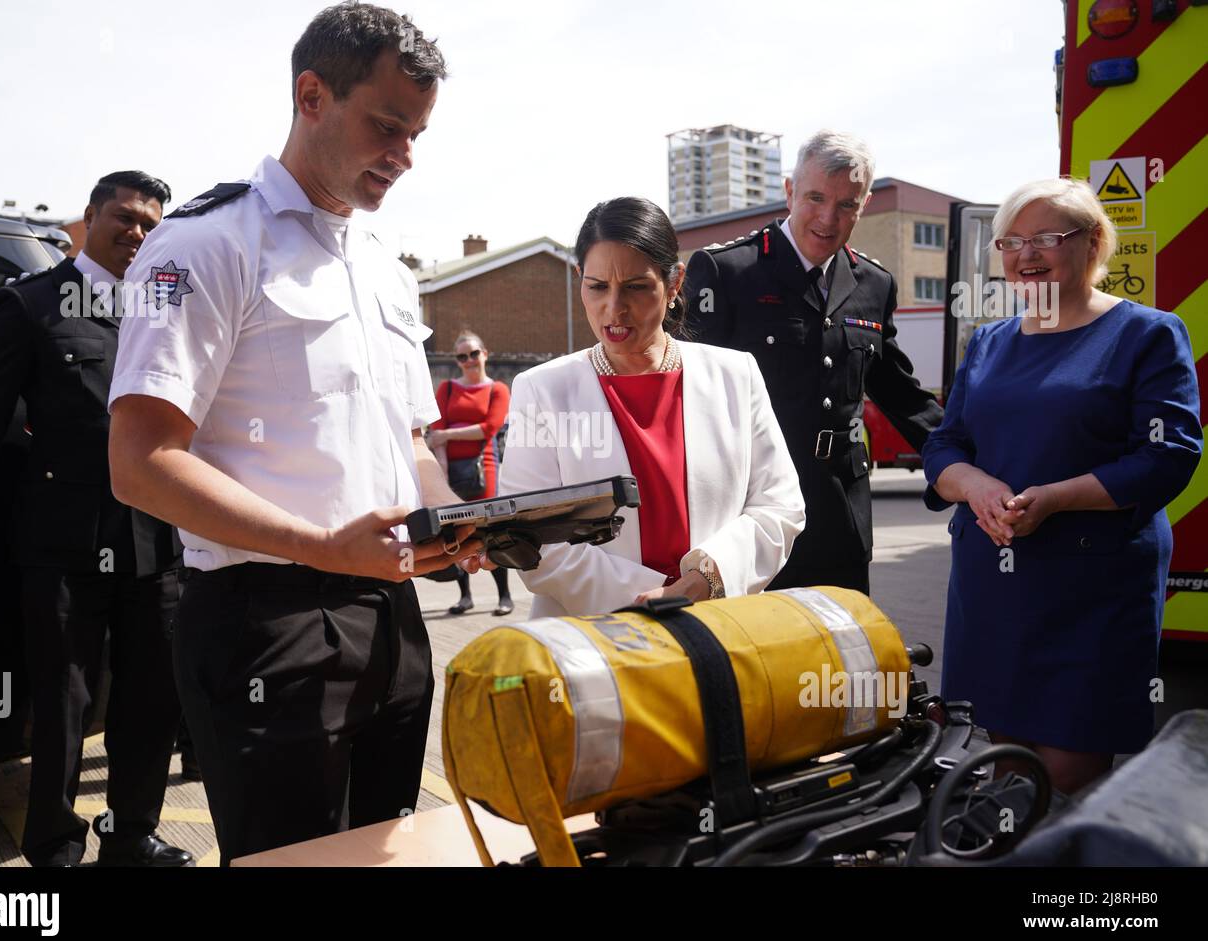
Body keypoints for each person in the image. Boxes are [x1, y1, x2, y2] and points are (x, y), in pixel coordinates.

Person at [106, 3, 482, 863]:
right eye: (387, 125)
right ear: (312, 94)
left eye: (418, 133)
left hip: (391, 613)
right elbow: (140, 463)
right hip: (265, 624)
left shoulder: (386, 268)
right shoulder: (196, 247)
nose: (406, 155)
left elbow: (413, 445)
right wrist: (319, 545)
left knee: (384, 850)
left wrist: (461, 519)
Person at [0, 171, 193, 867]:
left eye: (149, 224)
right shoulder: (32, 304)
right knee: (62, 703)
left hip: (157, 537)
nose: (137, 233)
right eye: (125, 217)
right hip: (63, 539)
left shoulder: (165, 305)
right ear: (89, 217)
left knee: (151, 697)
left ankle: (131, 832)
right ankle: (52, 843)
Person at [922, 177, 1201, 794]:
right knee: (1006, 757)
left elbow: (1168, 455)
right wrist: (975, 487)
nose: (1026, 255)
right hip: (994, 578)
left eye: (1046, 237)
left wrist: (1054, 499)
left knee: (1069, 770)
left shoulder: (1147, 333)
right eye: (1011, 242)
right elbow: (945, 444)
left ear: (1094, 242)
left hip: (1092, 583)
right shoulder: (990, 341)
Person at [497, 197, 805, 618]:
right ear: (579, 280)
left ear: (675, 282)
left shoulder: (736, 374)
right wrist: (656, 596)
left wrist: (703, 582)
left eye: (637, 287)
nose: (614, 308)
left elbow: (779, 505)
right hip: (592, 638)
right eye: (598, 286)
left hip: (718, 622)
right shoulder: (541, 390)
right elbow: (531, 535)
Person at [684, 130, 943, 595]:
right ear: (789, 191)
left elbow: (900, 392)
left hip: (840, 511)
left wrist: (970, 457)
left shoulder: (874, 284)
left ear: (863, 206)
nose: (829, 218)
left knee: (840, 652)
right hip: (750, 514)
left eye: (848, 204)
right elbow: (684, 395)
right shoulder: (727, 272)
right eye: (816, 198)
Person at [426, 331, 513, 615]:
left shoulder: (497, 389)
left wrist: (448, 435)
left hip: (484, 468)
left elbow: (489, 427)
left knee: (487, 530)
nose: (469, 361)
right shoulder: (447, 389)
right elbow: (434, 432)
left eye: (473, 354)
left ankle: (504, 595)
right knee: (456, 532)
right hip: (450, 471)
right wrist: (441, 472)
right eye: (462, 357)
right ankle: (465, 596)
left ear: (484, 353)